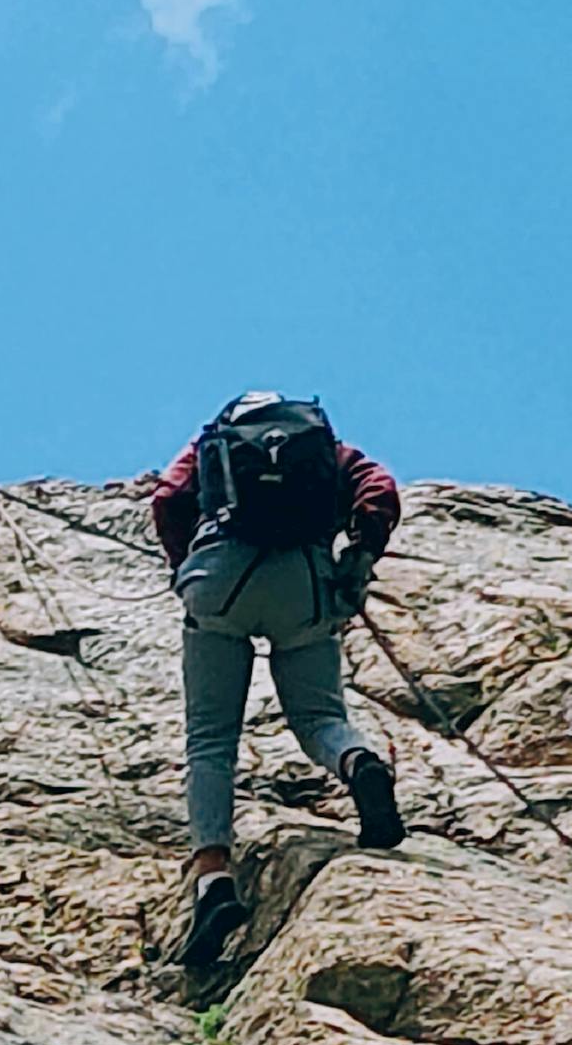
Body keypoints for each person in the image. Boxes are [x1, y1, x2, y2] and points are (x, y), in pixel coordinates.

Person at [148, 380, 406, 990]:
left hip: (219, 580)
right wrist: (359, 556)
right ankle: (360, 763)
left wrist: (185, 568)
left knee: (211, 739)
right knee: (319, 718)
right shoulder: (324, 446)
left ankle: (214, 879)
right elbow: (379, 489)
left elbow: (168, 499)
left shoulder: (212, 444)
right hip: (303, 579)